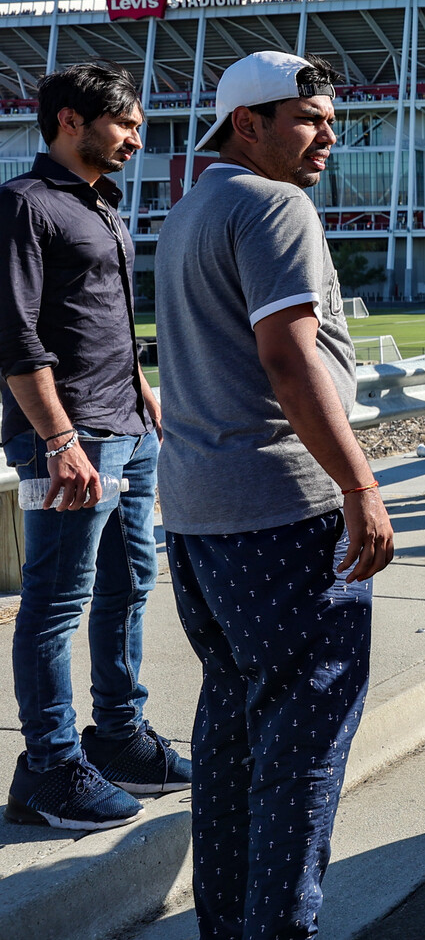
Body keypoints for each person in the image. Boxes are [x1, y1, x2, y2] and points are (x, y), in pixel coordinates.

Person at [154, 51, 395, 940]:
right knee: (304, 742)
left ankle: (229, 924)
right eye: (307, 117)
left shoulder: (190, 208)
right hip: (282, 511)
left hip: (197, 512)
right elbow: (290, 359)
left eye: (331, 118)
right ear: (245, 125)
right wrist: (358, 483)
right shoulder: (274, 203)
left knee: (230, 731)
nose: (327, 133)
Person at [0, 65, 187, 832]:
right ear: (71, 120)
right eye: (127, 124)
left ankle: (115, 739)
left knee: (130, 582)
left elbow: (103, 311)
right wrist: (57, 439)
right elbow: (14, 333)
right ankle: (47, 767)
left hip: (126, 429)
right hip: (69, 442)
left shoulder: (101, 201)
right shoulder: (24, 203)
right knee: (55, 600)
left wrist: (142, 383)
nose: (138, 138)